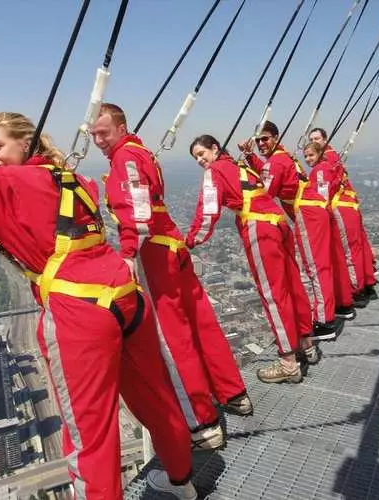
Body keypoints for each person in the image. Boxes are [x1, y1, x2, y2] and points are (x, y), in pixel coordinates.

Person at [0, 112, 197, 500]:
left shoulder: (5, 183)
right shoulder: (77, 180)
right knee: (157, 398)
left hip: (79, 311)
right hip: (127, 296)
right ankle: (182, 483)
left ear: (25, 144)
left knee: (89, 435)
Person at [91, 104, 252, 450]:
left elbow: (136, 207)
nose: (98, 141)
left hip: (153, 253)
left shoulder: (125, 158)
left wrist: (129, 250)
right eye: (93, 135)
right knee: (202, 323)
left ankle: (202, 423)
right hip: (173, 244)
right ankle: (233, 392)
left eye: (103, 132)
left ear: (121, 127)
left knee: (171, 338)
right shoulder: (142, 153)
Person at [187, 134, 321, 384]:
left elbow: (207, 212)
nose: (199, 160)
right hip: (279, 223)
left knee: (273, 295)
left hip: (259, 229)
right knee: (293, 287)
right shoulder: (241, 165)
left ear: (215, 149)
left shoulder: (215, 171)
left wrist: (191, 241)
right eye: (196, 157)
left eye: (201, 154)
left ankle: (288, 363)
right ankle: (307, 346)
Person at [239, 121, 355, 329]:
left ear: (275, 138)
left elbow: (265, 193)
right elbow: (269, 170)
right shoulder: (283, 156)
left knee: (316, 266)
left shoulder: (275, 162)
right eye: (258, 140)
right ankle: (343, 304)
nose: (260, 143)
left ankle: (324, 320)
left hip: (308, 214)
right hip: (318, 209)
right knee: (329, 259)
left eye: (265, 138)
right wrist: (250, 157)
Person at [308, 127, 378, 300]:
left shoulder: (324, 161)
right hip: (349, 205)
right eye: (312, 139)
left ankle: (357, 291)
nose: (314, 142)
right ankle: (367, 284)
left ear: (324, 139)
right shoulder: (332, 156)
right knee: (358, 246)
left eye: (317, 138)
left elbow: (322, 194)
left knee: (348, 252)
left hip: (340, 207)